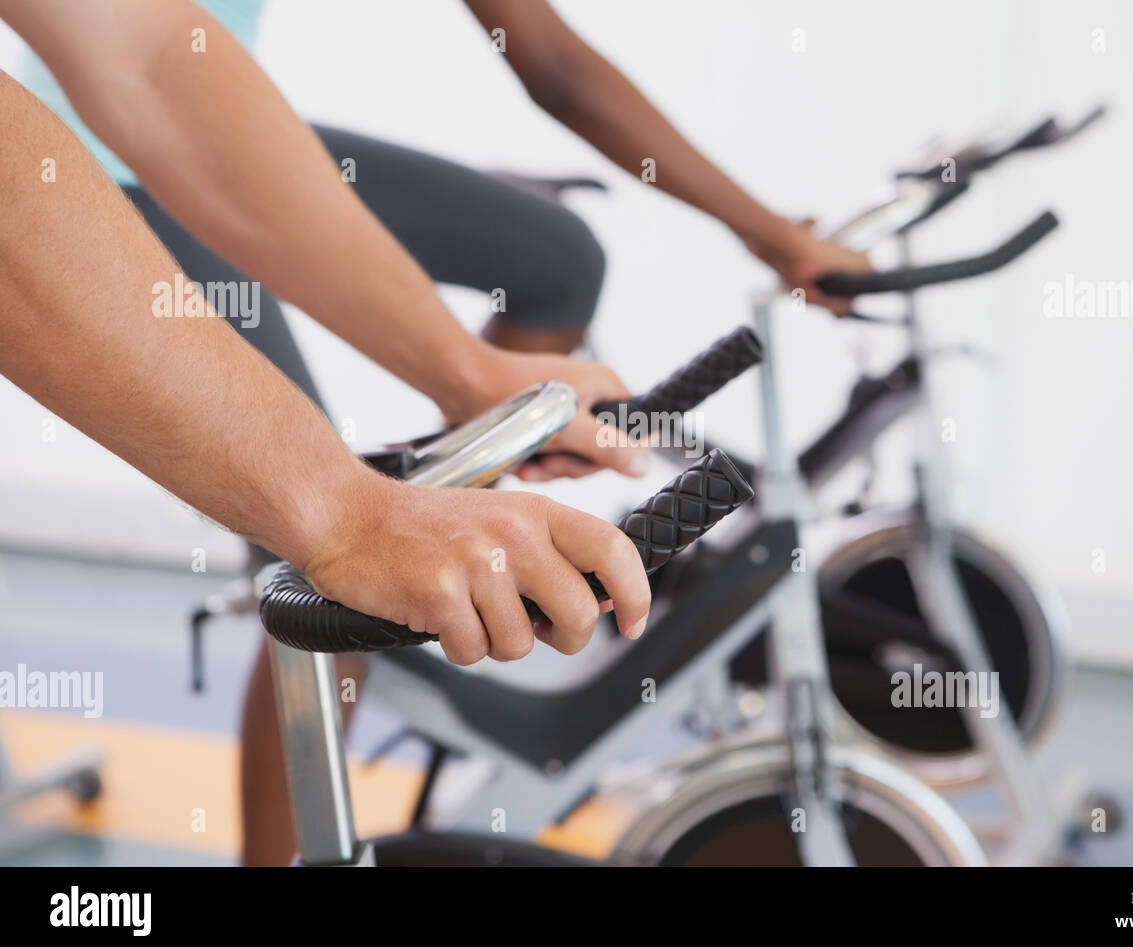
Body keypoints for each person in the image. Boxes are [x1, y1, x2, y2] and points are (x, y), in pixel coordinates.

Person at [3, 0, 873, 864]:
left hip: (140, 138)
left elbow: (149, 57)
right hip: (77, 175)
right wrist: (341, 512)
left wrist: (472, 378)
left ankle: (409, 610)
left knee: (558, 261)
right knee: (328, 572)